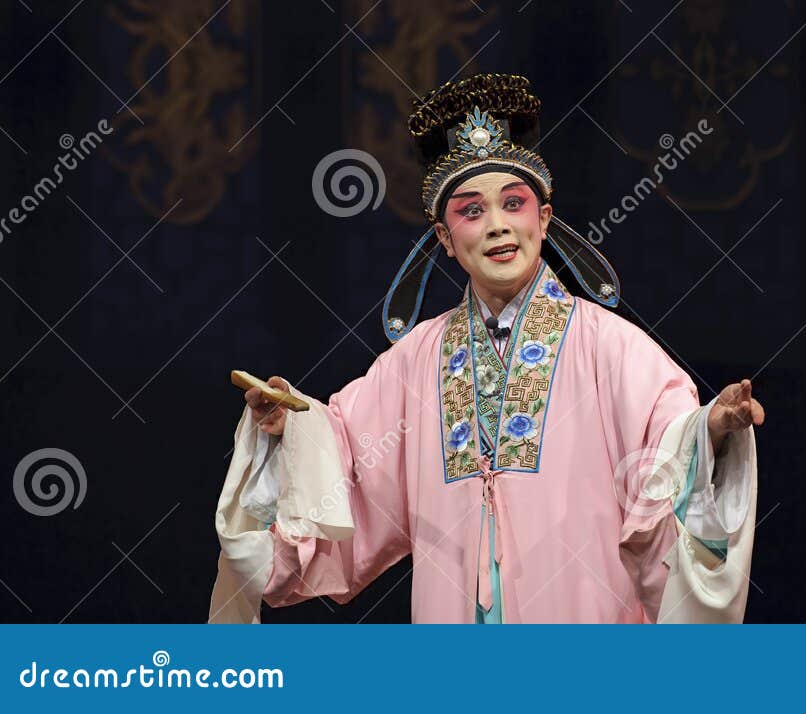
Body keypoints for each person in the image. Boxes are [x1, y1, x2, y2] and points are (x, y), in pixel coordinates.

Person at [209, 74, 764, 624]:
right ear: (446, 240)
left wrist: (710, 432)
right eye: (471, 211)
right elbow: (348, 456)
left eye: (514, 203)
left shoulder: (612, 349)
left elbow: (665, 446)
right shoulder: (414, 361)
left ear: (544, 219)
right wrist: (292, 429)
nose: (497, 226)